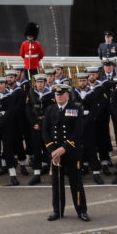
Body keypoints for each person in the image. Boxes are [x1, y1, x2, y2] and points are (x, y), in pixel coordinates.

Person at [43, 83, 90, 222]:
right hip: (55, 155)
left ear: (67, 95)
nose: (58, 97)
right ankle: (57, 211)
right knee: (56, 185)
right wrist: (52, 151)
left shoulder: (75, 109)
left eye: (61, 94)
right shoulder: (50, 109)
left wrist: (63, 148)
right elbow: (45, 132)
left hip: (71, 152)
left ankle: (82, 210)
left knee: (76, 184)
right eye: (56, 95)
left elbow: (78, 132)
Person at [25, 74, 52, 184]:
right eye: (38, 82)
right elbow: (28, 110)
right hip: (35, 127)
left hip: (47, 126)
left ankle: (51, 172)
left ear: (45, 83)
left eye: (42, 82)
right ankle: (37, 174)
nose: (39, 84)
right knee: (36, 149)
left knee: (48, 149)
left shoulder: (51, 94)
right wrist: (34, 123)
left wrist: (43, 123)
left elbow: (51, 111)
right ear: (35, 83)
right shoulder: (31, 94)